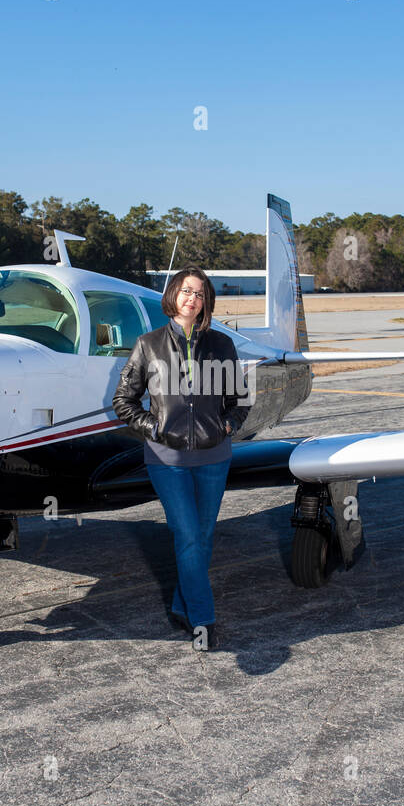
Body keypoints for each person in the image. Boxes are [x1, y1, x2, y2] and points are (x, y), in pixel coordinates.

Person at [112, 267, 249, 651]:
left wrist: (226, 428)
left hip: (214, 457)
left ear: (206, 302)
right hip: (166, 459)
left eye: (201, 294)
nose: (193, 299)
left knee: (202, 538)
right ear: (173, 295)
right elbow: (123, 401)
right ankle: (203, 620)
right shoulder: (148, 345)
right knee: (188, 535)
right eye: (187, 291)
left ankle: (179, 605)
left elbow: (240, 401)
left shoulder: (221, 346)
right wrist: (153, 428)